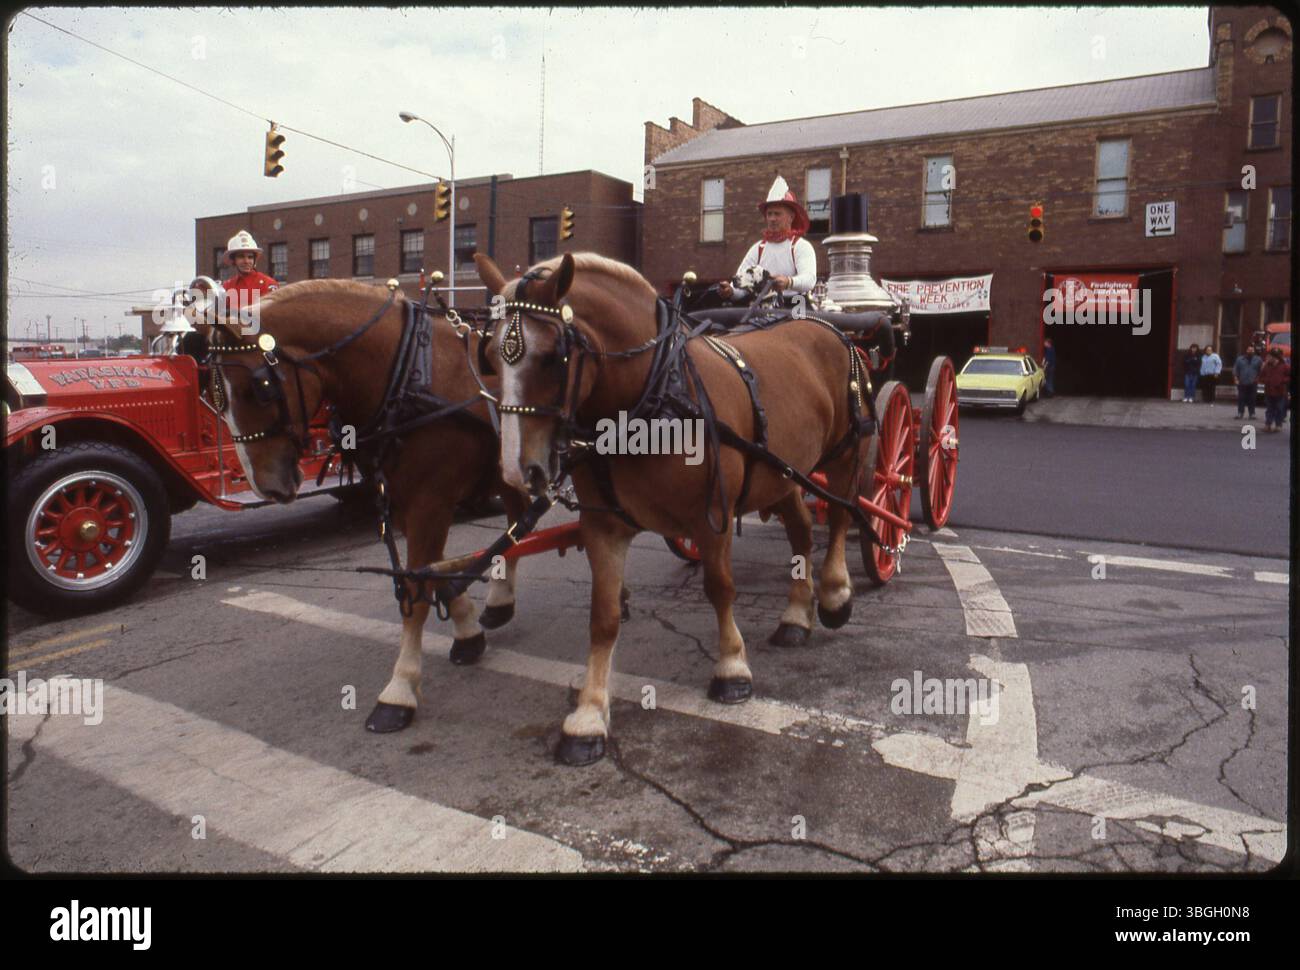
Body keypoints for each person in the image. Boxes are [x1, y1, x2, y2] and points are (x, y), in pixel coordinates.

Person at [717, 176, 817, 306]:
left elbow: (810, 280)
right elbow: (742, 284)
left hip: (795, 307)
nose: (772, 219)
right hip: (762, 309)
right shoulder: (758, 248)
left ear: (791, 217)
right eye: (769, 214)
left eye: (777, 214)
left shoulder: (801, 246)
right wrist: (730, 291)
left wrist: (788, 282)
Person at [221, 229, 279, 318]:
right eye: (241, 257)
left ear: (254, 260)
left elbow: (274, 316)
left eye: (250, 257)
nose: (246, 261)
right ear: (233, 260)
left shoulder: (268, 284)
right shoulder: (226, 286)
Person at [1260, 347, 1291, 433]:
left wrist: (1282, 381)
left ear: (1275, 357)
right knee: (1269, 408)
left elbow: (1289, 377)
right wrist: (1266, 380)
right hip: (1269, 391)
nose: (1268, 358)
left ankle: (1278, 425)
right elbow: (1261, 376)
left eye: (1269, 356)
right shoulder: (1267, 366)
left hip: (1280, 392)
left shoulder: (1285, 366)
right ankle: (1268, 425)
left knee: (1279, 409)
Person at [1232, 344, 1264, 420]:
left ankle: (1252, 414)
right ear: (1246, 350)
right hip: (1242, 382)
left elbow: (1261, 371)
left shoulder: (1258, 360)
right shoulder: (1240, 359)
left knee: (1252, 399)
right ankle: (1240, 413)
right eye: (1249, 350)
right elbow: (1235, 369)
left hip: (1253, 382)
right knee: (1241, 398)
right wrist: (1236, 379)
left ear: (1254, 351)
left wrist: (1258, 379)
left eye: (1252, 350)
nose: (1250, 351)